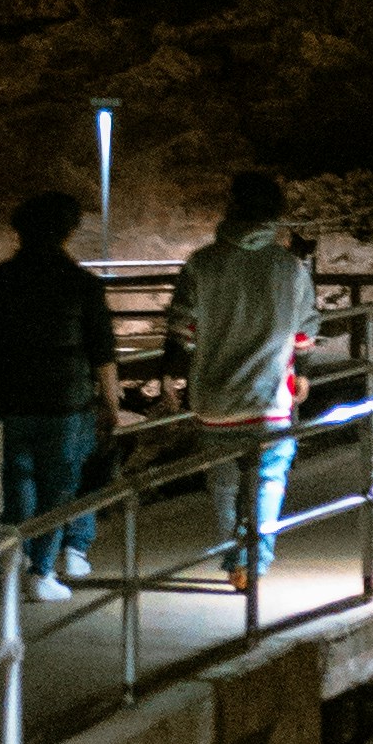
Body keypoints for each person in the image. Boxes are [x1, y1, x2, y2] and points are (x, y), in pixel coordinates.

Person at [156, 169, 319, 591]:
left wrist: (171, 377)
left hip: (215, 397)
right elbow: (304, 331)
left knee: (224, 485)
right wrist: (301, 373)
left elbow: (182, 328)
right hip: (270, 397)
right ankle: (254, 558)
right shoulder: (289, 267)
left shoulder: (203, 263)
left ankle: (236, 560)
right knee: (269, 478)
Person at [0, 189, 120, 595]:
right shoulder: (79, 283)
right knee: (59, 485)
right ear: (67, 232)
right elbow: (102, 350)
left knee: (19, 477)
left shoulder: (0, 281)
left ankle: (16, 550)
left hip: (12, 396)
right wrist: (110, 402)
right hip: (65, 399)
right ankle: (41, 571)